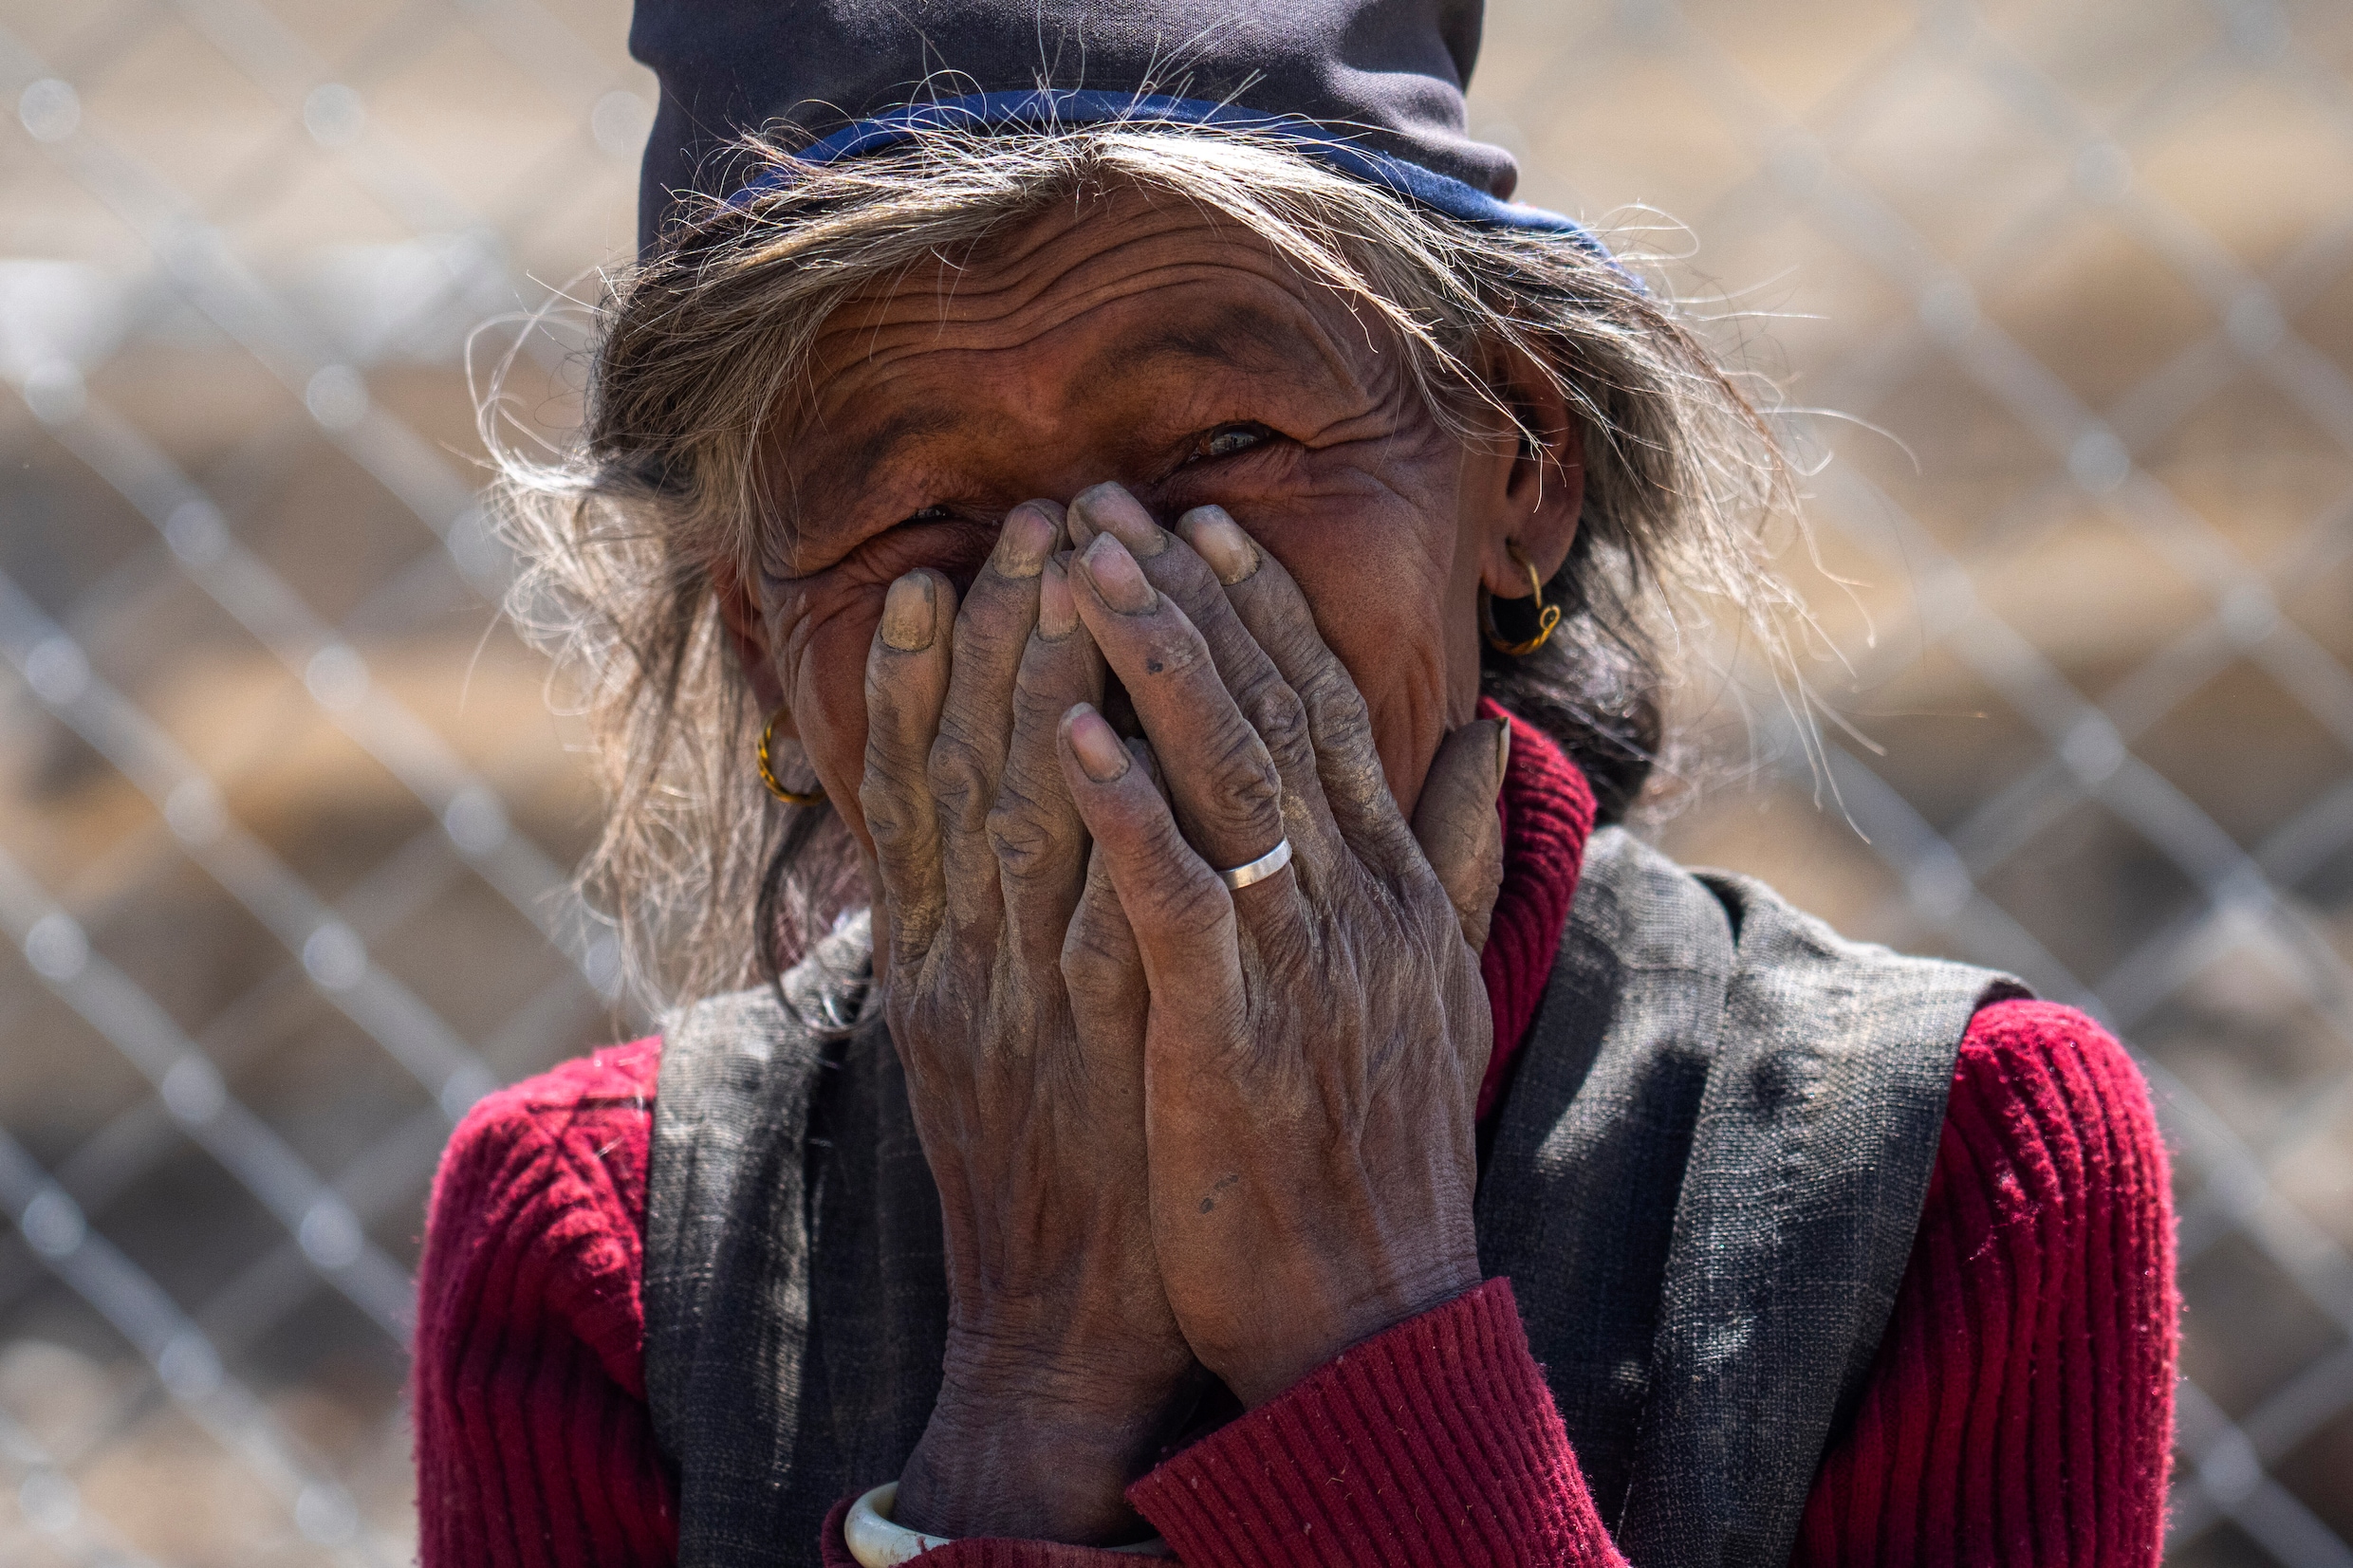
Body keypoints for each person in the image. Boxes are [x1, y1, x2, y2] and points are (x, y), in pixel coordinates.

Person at [415, 3, 2178, 1564]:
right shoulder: (597, 1264)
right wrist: (1027, 1393)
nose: (1104, 600)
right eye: (921, 515)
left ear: (1522, 469)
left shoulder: (1954, 1172)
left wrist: (1369, 1319)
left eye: (1226, 446)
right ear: (759, 642)